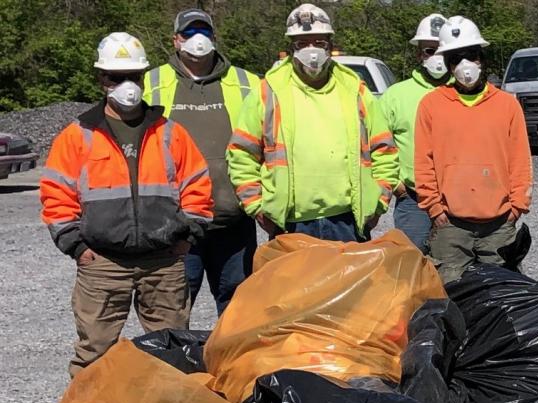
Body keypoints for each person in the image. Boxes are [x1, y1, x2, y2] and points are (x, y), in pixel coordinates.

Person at [41, 32, 213, 376]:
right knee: (94, 357)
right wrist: (76, 247)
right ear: (102, 80)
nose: (126, 85)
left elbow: (198, 186)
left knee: (176, 354)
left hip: (162, 262)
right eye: (116, 77)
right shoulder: (79, 135)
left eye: (133, 76)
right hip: (103, 264)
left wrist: (187, 237)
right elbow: (56, 193)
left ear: (143, 77)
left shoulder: (169, 132)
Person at [227, 3, 399, 243]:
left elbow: (385, 150)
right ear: (290, 47)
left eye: (319, 42)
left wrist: (379, 203)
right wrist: (256, 206)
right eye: (302, 43)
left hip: (347, 221)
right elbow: (241, 154)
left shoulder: (355, 90)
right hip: (290, 224)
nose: (312, 50)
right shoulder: (268, 91)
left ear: (330, 45)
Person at [143, 9, 258, 316]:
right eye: (189, 33)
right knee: (172, 310)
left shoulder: (247, 82)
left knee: (239, 312)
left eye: (204, 32)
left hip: (234, 221)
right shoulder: (151, 83)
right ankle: (176, 366)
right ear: (175, 40)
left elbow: (268, 143)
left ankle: (235, 364)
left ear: (214, 37)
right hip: (176, 225)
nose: (198, 40)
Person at [415, 16, 533, 282]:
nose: (465, 65)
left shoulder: (507, 104)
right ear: (447, 64)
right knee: (451, 297)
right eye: (456, 58)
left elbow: (520, 161)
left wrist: (516, 207)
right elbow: (423, 163)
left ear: (482, 57)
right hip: (450, 227)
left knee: (503, 295)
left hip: (500, 225)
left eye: (471, 56)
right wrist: (435, 209)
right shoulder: (431, 105)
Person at [378, 13, 451, 252]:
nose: (437, 57)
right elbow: (377, 146)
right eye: (430, 50)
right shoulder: (395, 96)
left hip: (458, 201)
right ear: (420, 53)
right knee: (413, 266)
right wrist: (395, 185)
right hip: (412, 200)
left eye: (442, 49)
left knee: (457, 268)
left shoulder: (465, 92)